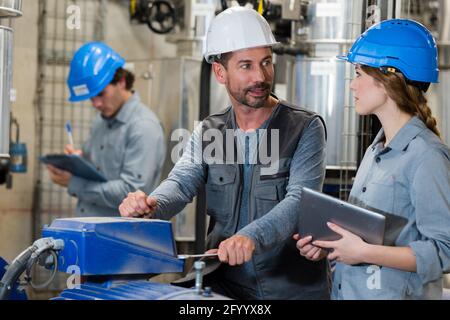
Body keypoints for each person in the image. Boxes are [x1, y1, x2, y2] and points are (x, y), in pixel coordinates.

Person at [119, 7, 329, 300]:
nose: (261, 76)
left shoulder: (303, 127)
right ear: (220, 72)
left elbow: (298, 201)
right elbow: (181, 183)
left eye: (266, 62)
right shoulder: (210, 131)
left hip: (288, 289)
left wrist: (250, 237)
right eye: (246, 66)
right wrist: (151, 205)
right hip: (221, 280)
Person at [296, 19, 450, 299]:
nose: (352, 85)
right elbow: (368, 234)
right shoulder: (376, 149)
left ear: (389, 78)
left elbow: (444, 250)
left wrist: (363, 252)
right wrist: (330, 246)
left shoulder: (427, 156)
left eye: (358, 73)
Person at [47, 42, 166, 217]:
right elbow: (98, 171)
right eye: (91, 98)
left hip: (120, 236)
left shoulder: (143, 126)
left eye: (101, 94)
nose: (96, 104)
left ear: (121, 81)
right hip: (91, 227)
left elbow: (132, 192)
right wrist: (77, 163)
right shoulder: (101, 121)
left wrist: (74, 183)